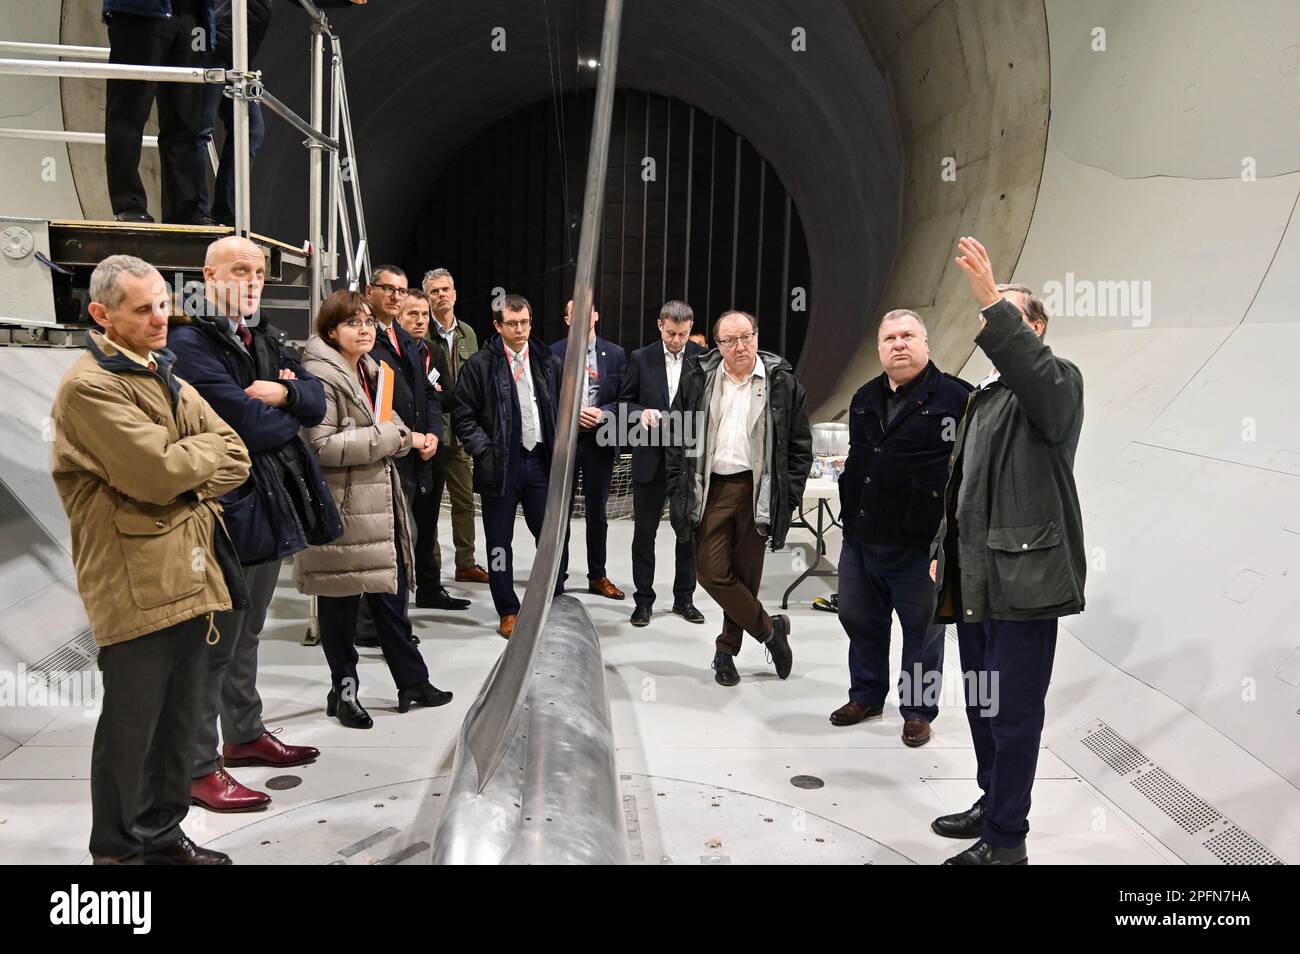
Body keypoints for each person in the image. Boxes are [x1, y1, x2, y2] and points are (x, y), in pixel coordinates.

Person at [51, 254, 251, 864]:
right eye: (143, 310)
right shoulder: (89, 387)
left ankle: (163, 838)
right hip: (134, 583)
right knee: (132, 729)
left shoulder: (165, 373)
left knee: (177, 723)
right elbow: (156, 473)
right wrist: (187, 465)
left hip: (190, 573)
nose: (161, 318)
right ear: (101, 315)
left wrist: (181, 465)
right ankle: (117, 854)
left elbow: (236, 453)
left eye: (164, 303)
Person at [929, 236, 1086, 866]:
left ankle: (1006, 840)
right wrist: (945, 547)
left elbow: (1032, 371)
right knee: (981, 701)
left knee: (1014, 712)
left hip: (1024, 582)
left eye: (1007, 316)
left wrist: (994, 299)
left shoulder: (1055, 389)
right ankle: (991, 801)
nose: (991, 323)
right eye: (988, 316)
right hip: (974, 579)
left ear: (1036, 327)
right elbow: (960, 486)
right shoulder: (983, 398)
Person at [168, 235, 337, 812]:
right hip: (221, 514)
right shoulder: (189, 343)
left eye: (261, 270)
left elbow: (318, 402)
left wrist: (286, 394)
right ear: (208, 275)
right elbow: (242, 425)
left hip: (266, 508)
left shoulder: (260, 334)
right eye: (240, 269)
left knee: (249, 634)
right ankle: (196, 767)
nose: (253, 279)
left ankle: (243, 735)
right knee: (213, 645)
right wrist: (291, 410)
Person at [295, 290, 454, 726]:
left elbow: (393, 422)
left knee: (391, 597)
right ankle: (343, 692)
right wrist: (393, 439)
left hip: (378, 502)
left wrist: (402, 436)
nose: (364, 329)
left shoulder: (370, 369)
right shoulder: (318, 376)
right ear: (331, 330)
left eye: (367, 321)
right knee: (341, 609)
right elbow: (322, 445)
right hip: (342, 509)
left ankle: (412, 681)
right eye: (353, 323)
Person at [833, 308, 971, 746]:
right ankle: (867, 695)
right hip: (862, 537)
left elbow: (966, 473)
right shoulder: (864, 397)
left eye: (908, 336)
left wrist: (951, 544)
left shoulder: (956, 399)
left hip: (920, 544)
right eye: (890, 338)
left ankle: (917, 711)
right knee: (859, 619)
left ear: (926, 344)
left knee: (923, 632)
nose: (899, 344)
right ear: (879, 350)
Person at [667, 310, 812, 686]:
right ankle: (770, 630)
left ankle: (725, 653)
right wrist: (676, 485)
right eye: (730, 341)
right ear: (718, 345)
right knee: (711, 572)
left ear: (757, 336)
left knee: (745, 576)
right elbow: (675, 433)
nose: (740, 346)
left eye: (746, 337)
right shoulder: (699, 378)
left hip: (757, 490)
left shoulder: (782, 383)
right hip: (711, 487)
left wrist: (788, 497)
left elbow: (799, 448)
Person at [452, 295, 563, 637]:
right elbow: (463, 415)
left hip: (540, 462)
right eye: (512, 323)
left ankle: (553, 599)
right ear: (498, 326)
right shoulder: (480, 365)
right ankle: (508, 609)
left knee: (552, 536)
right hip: (501, 466)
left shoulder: (548, 362)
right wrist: (486, 451)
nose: (520, 329)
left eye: (525, 322)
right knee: (499, 543)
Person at [197, 0, 366, 225]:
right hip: (214, 41)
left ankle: (227, 216)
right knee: (199, 127)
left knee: (249, 130)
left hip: (234, 52)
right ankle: (195, 212)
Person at [358, 265, 442, 645]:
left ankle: (389, 624)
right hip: (381, 455)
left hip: (411, 457)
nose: (395, 296)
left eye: (401, 290)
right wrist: (412, 436)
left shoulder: (405, 340)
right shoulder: (360, 337)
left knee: (401, 541)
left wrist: (433, 436)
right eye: (388, 289)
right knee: (382, 547)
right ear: (369, 291)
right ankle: (371, 626)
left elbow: (429, 393)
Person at [618, 300, 705, 626]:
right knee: (644, 534)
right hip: (649, 458)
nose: (677, 340)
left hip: (686, 460)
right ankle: (643, 602)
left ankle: (684, 599)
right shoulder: (641, 358)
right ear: (660, 325)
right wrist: (642, 414)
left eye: (683, 334)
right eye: (671, 333)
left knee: (688, 533)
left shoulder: (702, 359)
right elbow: (623, 403)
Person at [102, 0, 215, 224]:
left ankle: (185, 210)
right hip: (140, 12)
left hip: (193, 17)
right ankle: (129, 204)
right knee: (129, 113)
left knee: (185, 120)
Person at [396, 289, 470, 610]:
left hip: (431, 449)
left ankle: (429, 589)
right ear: (398, 316)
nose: (420, 320)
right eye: (413, 314)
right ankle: (392, 598)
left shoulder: (432, 352)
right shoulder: (389, 352)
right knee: (399, 528)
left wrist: (432, 435)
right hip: (397, 450)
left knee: (427, 526)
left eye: (424, 315)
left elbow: (447, 396)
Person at [552, 299, 626, 601]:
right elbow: (544, 398)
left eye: (588, 311)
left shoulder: (617, 354)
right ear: (567, 319)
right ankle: (557, 576)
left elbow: (626, 397)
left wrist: (603, 412)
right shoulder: (552, 354)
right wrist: (570, 412)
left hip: (600, 441)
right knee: (560, 513)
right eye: (575, 313)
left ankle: (597, 575)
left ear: (596, 314)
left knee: (597, 513)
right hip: (565, 444)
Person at [423, 268, 490, 584]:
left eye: (445, 289)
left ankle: (466, 563)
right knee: (430, 506)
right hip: (431, 433)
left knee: (465, 503)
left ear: (455, 294)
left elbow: (475, 383)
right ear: (427, 297)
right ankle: (431, 566)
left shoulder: (468, 333)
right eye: (434, 291)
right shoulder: (421, 335)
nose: (441, 295)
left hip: (461, 434)